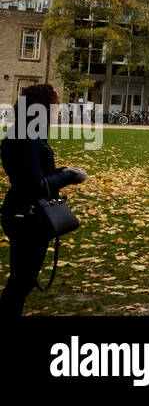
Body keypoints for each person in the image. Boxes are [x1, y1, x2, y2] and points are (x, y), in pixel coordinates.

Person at [1, 83, 90, 316]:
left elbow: (35, 174)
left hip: (22, 212)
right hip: (26, 216)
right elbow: (35, 185)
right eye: (54, 106)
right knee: (20, 283)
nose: (57, 111)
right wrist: (69, 177)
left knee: (22, 281)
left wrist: (64, 170)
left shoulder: (24, 133)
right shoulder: (28, 137)